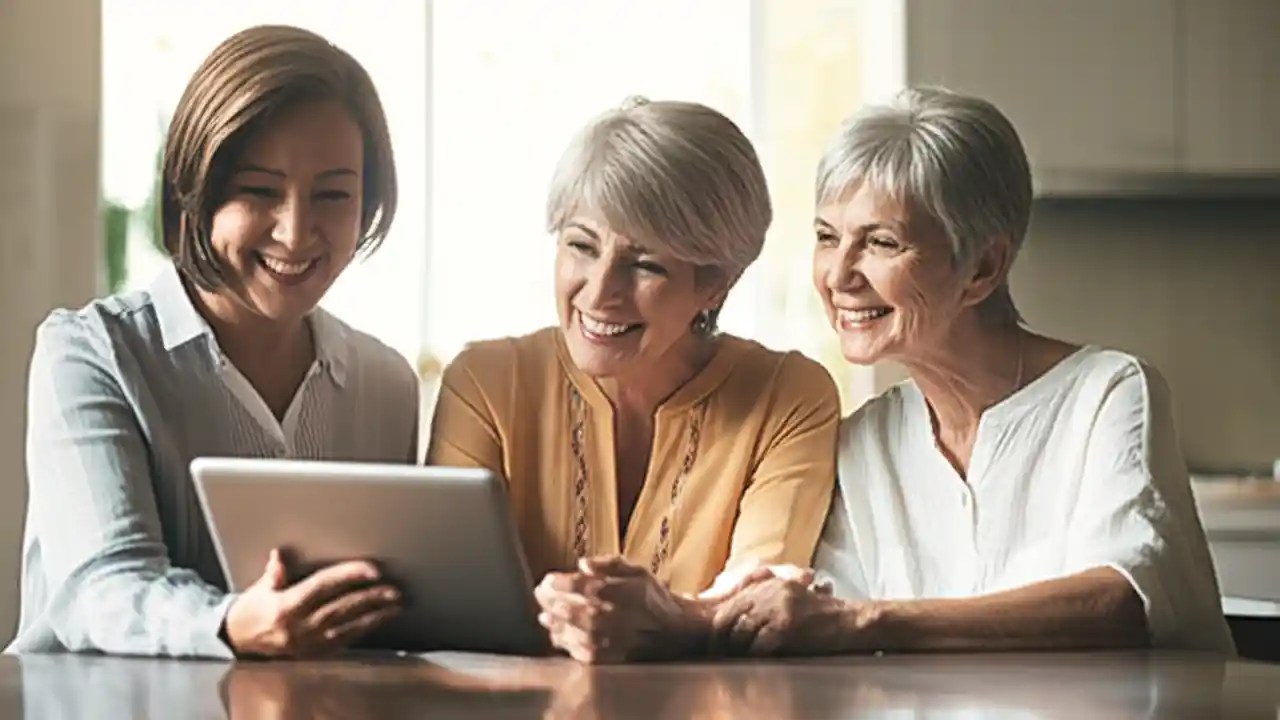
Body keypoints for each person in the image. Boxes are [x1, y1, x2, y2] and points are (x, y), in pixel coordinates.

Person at [712, 87, 1235, 656]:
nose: (839, 274)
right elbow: (829, 626)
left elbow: (1118, 603)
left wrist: (869, 622)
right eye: (826, 237)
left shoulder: (1107, 392)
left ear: (982, 267)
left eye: (881, 242)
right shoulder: (865, 440)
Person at [8, 25, 418, 659]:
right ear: (193, 190)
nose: (296, 230)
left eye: (333, 194)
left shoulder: (386, 382)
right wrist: (230, 623)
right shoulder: (91, 352)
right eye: (259, 190)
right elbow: (102, 587)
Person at [427, 97, 839, 662]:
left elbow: (757, 609)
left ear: (714, 285)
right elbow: (449, 602)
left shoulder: (788, 396)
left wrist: (678, 619)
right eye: (580, 246)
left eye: (645, 265)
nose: (599, 293)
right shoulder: (486, 382)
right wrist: (687, 619)